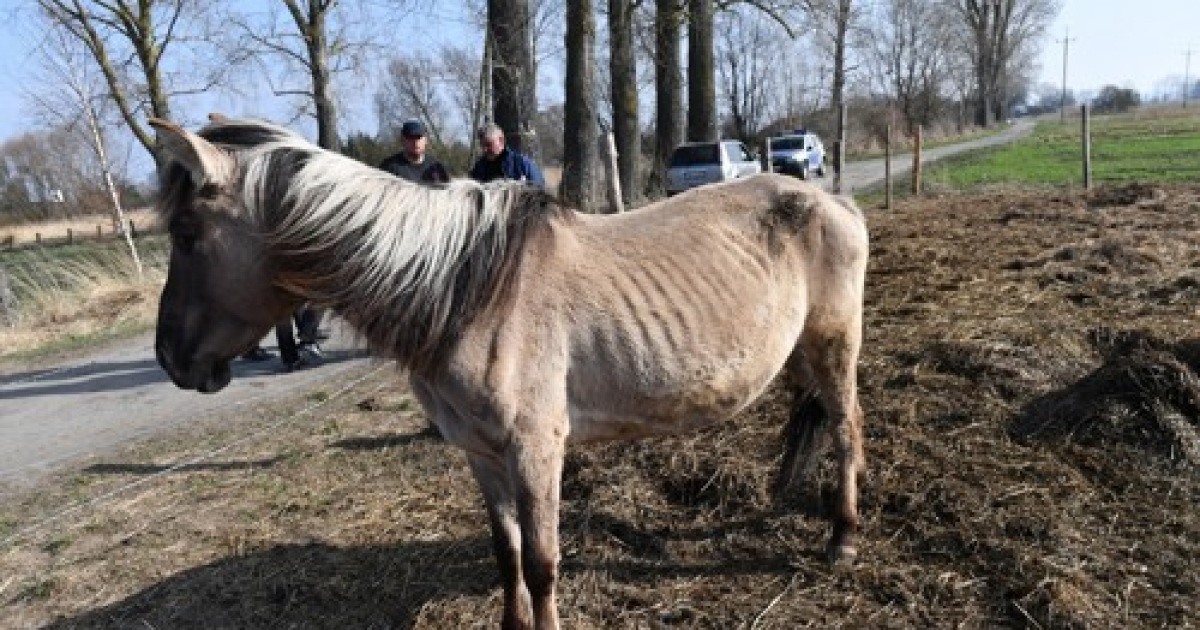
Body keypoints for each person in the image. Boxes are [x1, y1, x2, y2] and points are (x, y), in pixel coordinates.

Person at [469, 123, 545, 188]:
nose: (484, 150)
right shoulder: (478, 169)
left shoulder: (523, 165)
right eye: (482, 146)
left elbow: (539, 194)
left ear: (501, 140)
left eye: (489, 145)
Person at [379, 119, 450, 183]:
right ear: (402, 140)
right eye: (410, 137)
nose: (415, 142)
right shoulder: (389, 167)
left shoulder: (437, 168)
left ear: (425, 140)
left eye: (418, 137)